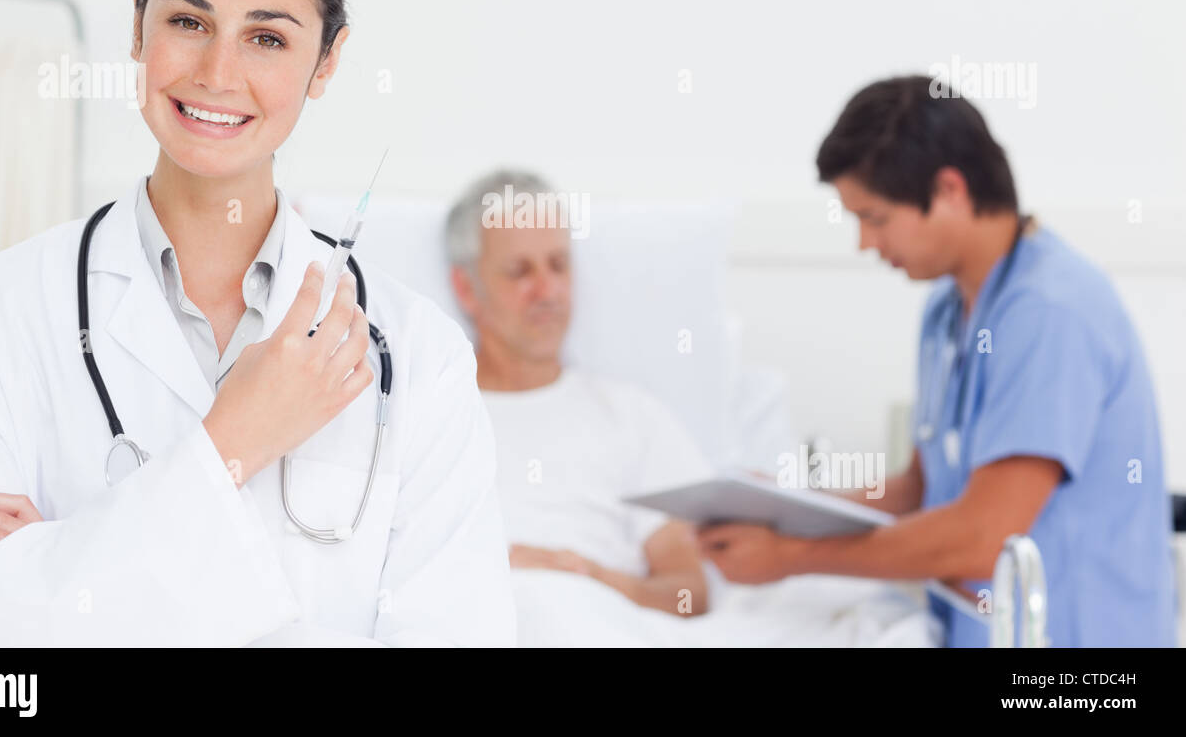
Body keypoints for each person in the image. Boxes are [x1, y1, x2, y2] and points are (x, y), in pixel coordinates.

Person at [0, 0, 515, 647]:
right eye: (188, 21)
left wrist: (60, 561)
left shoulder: (418, 359)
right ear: (138, 25)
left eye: (267, 38)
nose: (217, 74)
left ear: (327, 62)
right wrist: (233, 442)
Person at [698, 75, 1177, 647]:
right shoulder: (947, 310)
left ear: (949, 190)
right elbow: (921, 488)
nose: (864, 244)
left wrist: (792, 556)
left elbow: (981, 536)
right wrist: (784, 505)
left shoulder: (1052, 312)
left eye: (874, 218)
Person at [446, 169, 711, 618]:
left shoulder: (633, 415)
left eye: (558, 265)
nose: (547, 291)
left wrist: (586, 576)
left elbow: (690, 594)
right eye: (519, 271)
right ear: (467, 289)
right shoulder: (427, 415)